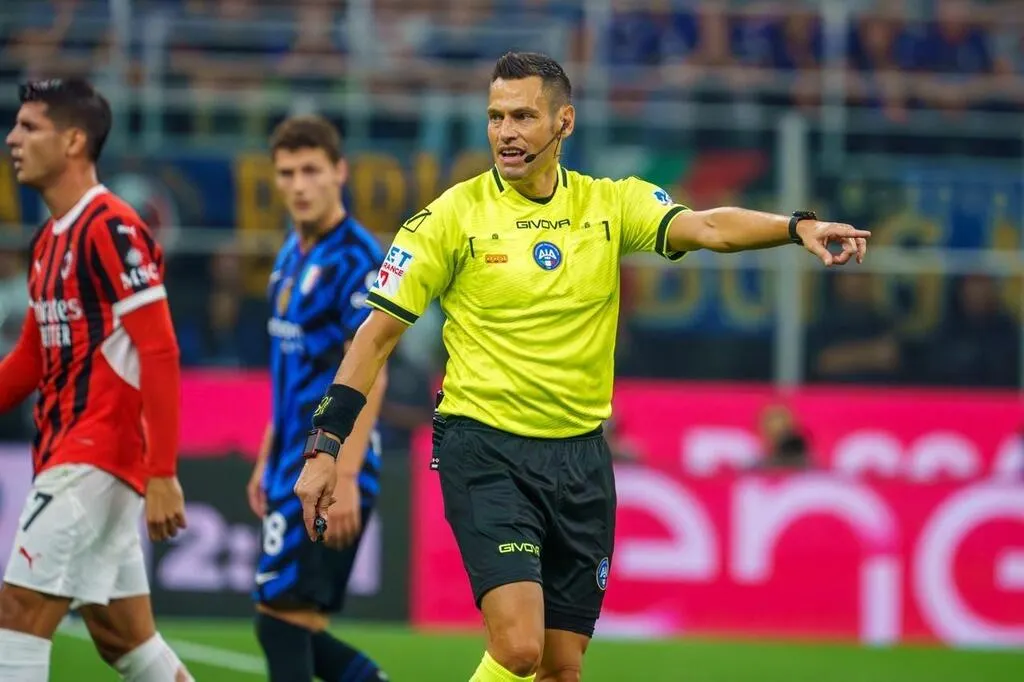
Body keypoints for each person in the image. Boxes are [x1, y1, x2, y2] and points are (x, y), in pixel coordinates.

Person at [294, 51, 871, 682]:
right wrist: (326, 446)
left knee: (561, 669)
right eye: (494, 117)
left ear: (563, 122)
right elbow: (374, 338)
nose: (505, 132)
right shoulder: (449, 219)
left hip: (580, 462)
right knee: (518, 648)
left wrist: (797, 227)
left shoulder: (609, 205)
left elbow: (707, 226)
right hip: (485, 449)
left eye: (522, 116)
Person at [0, 78, 191, 681]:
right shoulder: (47, 241)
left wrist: (162, 473)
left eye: (30, 127)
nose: (13, 139)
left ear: (74, 140)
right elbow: (32, 358)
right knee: (124, 639)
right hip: (71, 453)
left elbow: (158, 350)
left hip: (96, 455)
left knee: (17, 614)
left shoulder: (111, 225)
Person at [246, 115, 389, 682]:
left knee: (280, 620)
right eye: (287, 172)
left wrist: (347, 474)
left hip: (329, 468)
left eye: (311, 170)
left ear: (340, 172)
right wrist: (266, 453)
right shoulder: (289, 254)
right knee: (292, 621)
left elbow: (370, 369)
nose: (299, 184)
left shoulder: (356, 257)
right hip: (290, 462)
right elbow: (290, 370)